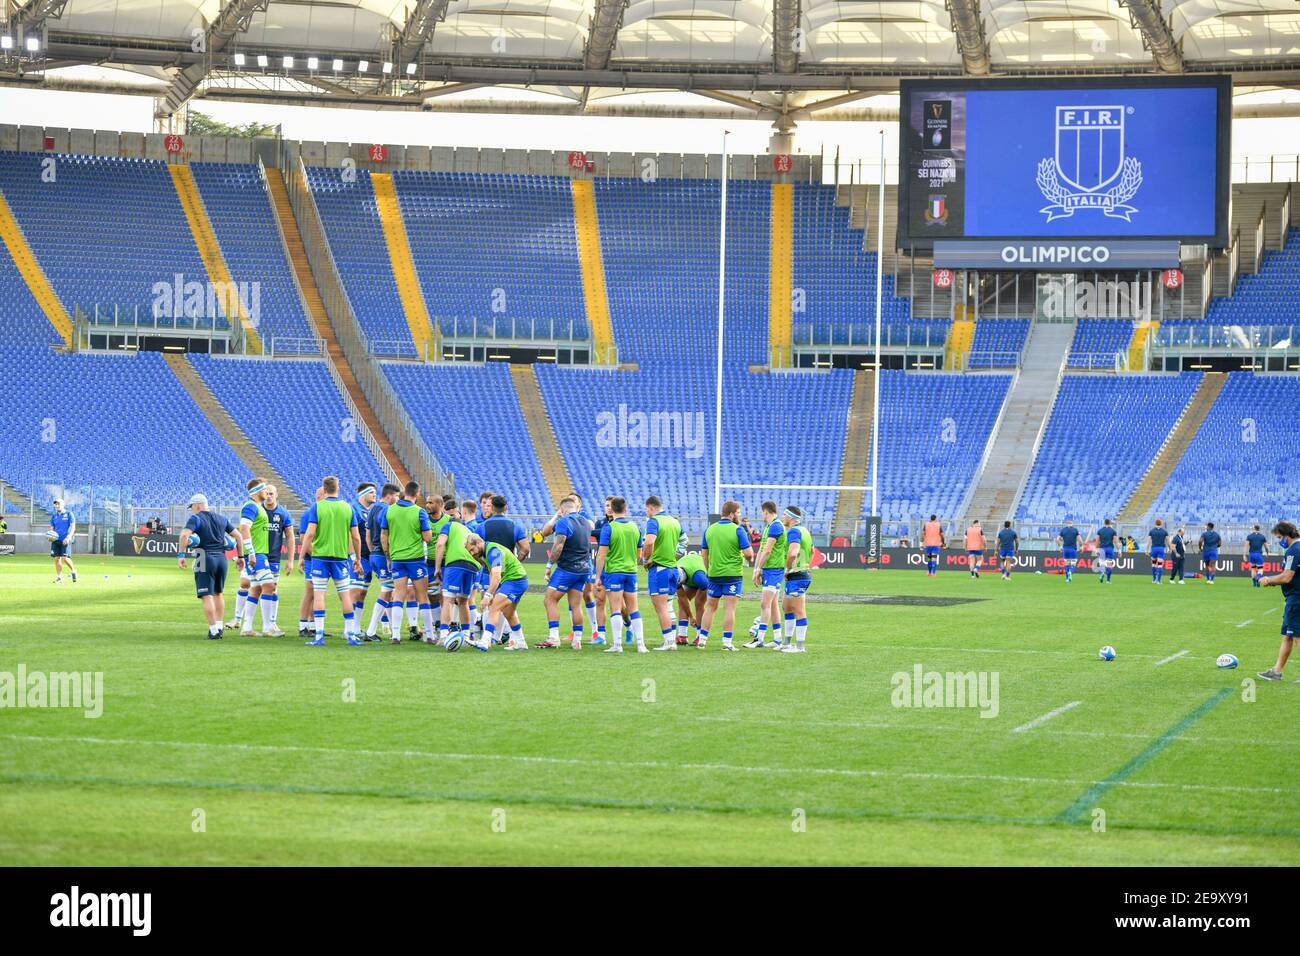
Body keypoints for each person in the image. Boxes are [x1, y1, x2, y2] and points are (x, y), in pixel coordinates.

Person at [300, 475, 364, 646]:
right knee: (345, 596)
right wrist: (357, 558)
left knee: (319, 594)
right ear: (338, 488)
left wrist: (301, 556)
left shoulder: (317, 507)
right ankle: (350, 635)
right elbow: (356, 537)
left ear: (324, 489)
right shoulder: (348, 508)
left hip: (320, 558)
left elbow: (310, 533)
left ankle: (319, 636)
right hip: (341, 559)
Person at [177, 493, 245, 640]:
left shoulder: (196, 518)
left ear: (198, 505)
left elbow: (184, 536)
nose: (192, 510)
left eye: (192, 507)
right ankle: (219, 627)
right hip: (222, 558)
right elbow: (239, 536)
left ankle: (213, 631)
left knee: (206, 595)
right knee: (218, 593)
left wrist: (181, 555)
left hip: (203, 557)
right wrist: (240, 557)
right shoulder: (222, 518)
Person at [380, 480, 433, 646]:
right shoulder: (419, 512)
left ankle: (395, 635)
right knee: (422, 596)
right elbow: (428, 537)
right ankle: (430, 635)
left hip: (397, 559)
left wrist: (388, 555)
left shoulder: (389, 511)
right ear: (417, 494)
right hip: (415, 559)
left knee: (398, 595)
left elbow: (383, 535)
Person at [697, 500, 755, 651]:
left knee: (710, 607)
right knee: (729, 609)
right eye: (738, 513)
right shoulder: (738, 530)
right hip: (733, 575)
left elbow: (704, 554)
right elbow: (749, 553)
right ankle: (727, 643)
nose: (739, 516)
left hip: (714, 574)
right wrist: (749, 559)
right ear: (731, 514)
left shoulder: (709, 530)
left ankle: (702, 640)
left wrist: (709, 570)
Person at [538, 495, 592, 650]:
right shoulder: (586, 522)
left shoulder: (563, 521)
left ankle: (554, 637)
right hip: (583, 569)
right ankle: (577, 640)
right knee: (575, 604)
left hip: (567, 569)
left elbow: (558, 546)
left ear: (562, 510)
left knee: (549, 599)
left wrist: (549, 565)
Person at [593, 495, 646, 653]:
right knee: (634, 609)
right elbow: (639, 555)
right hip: (631, 572)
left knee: (615, 608)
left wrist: (597, 577)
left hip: (615, 572)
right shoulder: (635, 527)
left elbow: (601, 555)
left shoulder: (609, 528)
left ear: (612, 510)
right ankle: (641, 645)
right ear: (625, 509)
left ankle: (617, 645)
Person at [467, 535, 530, 651]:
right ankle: (521, 642)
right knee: (509, 613)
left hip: (515, 580)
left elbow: (496, 576)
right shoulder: (485, 553)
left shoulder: (493, 551)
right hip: (515, 580)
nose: (471, 553)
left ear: (479, 543)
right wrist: (491, 593)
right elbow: (492, 573)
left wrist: (487, 596)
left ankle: (485, 641)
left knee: (494, 607)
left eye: (472, 549)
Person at [433, 501, 482, 646]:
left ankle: (443, 635)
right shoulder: (467, 529)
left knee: (448, 600)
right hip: (473, 566)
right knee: (463, 601)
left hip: (456, 564)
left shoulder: (448, 525)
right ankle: (466, 635)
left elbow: (440, 544)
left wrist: (437, 568)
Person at [1257, 520, 1300, 682]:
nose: (1279, 541)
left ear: (1288, 535)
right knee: (1288, 636)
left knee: (1297, 636)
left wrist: (1269, 580)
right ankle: (1276, 671)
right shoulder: (1295, 548)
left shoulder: (1294, 550)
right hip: (1294, 597)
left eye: (1279, 537)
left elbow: (1287, 577)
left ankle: (1276, 672)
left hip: (1296, 598)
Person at [230, 478, 272, 636]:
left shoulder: (257, 507)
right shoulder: (250, 506)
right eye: (265, 489)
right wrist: (252, 552)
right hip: (257, 554)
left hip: (260, 553)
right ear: (258, 491)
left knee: (258, 588)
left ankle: (247, 627)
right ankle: (268, 628)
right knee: (269, 586)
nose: (267, 492)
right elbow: (244, 528)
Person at [644, 496, 685, 651]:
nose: (646, 512)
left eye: (646, 509)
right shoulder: (674, 521)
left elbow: (649, 542)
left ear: (651, 507)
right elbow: (684, 540)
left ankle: (669, 642)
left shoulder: (654, 521)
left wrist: (646, 558)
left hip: (659, 568)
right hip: (673, 568)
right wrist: (673, 555)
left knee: (660, 607)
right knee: (667, 605)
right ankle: (671, 640)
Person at [362, 483, 400, 640]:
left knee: (389, 591)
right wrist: (387, 556)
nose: (398, 499)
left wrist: (373, 551)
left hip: (374, 555)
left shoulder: (372, 509)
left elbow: (368, 534)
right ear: (390, 496)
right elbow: (386, 535)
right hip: (384, 555)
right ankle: (370, 631)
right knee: (387, 591)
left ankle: (392, 629)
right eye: (397, 496)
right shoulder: (387, 510)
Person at [746, 500, 785, 648]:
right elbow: (762, 550)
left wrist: (758, 569)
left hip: (774, 569)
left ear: (765, 511)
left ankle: (760, 639)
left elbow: (767, 551)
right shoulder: (770, 526)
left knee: (765, 603)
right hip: (770, 569)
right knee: (773, 604)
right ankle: (777, 639)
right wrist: (757, 569)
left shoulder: (775, 526)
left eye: (762, 512)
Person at [258, 484, 294, 636]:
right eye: (267, 493)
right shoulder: (257, 510)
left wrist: (290, 560)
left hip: (274, 557)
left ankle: (272, 623)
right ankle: (248, 623)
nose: (269, 496)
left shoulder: (283, 513)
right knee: (253, 587)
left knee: (273, 588)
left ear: (277, 494)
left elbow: (290, 536)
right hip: (259, 555)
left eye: (271, 493)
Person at [779, 505, 812, 653]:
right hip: (798, 574)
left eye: (785, 515)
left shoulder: (793, 531)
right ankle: (786, 643)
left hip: (797, 574)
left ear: (791, 517)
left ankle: (800, 646)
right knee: (786, 607)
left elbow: (793, 553)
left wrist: (788, 569)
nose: (783, 517)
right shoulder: (804, 530)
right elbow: (811, 550)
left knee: (798, 610)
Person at [49, 498, 77, 583]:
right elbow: (52, 528)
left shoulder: (69, 514)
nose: (57, 506)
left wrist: (68, 537)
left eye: (58, 504)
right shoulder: (54, 516)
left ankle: (73, 571)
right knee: (57, 558)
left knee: (65, 558)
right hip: (56, 540)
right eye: (56, 504)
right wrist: (50, 536)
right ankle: (59, 577)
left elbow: (73, 527)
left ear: (63, 504)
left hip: (65, 539)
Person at [1095, 518, 1119, 583]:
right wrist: (1119, 550)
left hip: (1102, 549)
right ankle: (1108, 580)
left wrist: (1096, 549)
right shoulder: (1113, 531)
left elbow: (1097, 541)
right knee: (1109, 564)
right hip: (1110, 549)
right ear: (1110, 523)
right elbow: (1116, 541)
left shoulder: (1100, 531)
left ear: (1104, 523)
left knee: (1102, 562)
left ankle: (1102, 572)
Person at [1147, 518, 1169, 585]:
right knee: (1159, 565)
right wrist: (1170, 548)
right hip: (1161, 549)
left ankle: (1154, 580)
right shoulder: (1165, 531)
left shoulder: (1151, 531)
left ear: (1155, 523)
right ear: (1161, 523)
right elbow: (1168, 541)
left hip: (1154, 549)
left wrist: (1147, 550)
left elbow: (1149, 542)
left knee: (1153, 564)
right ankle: (1159, 581)